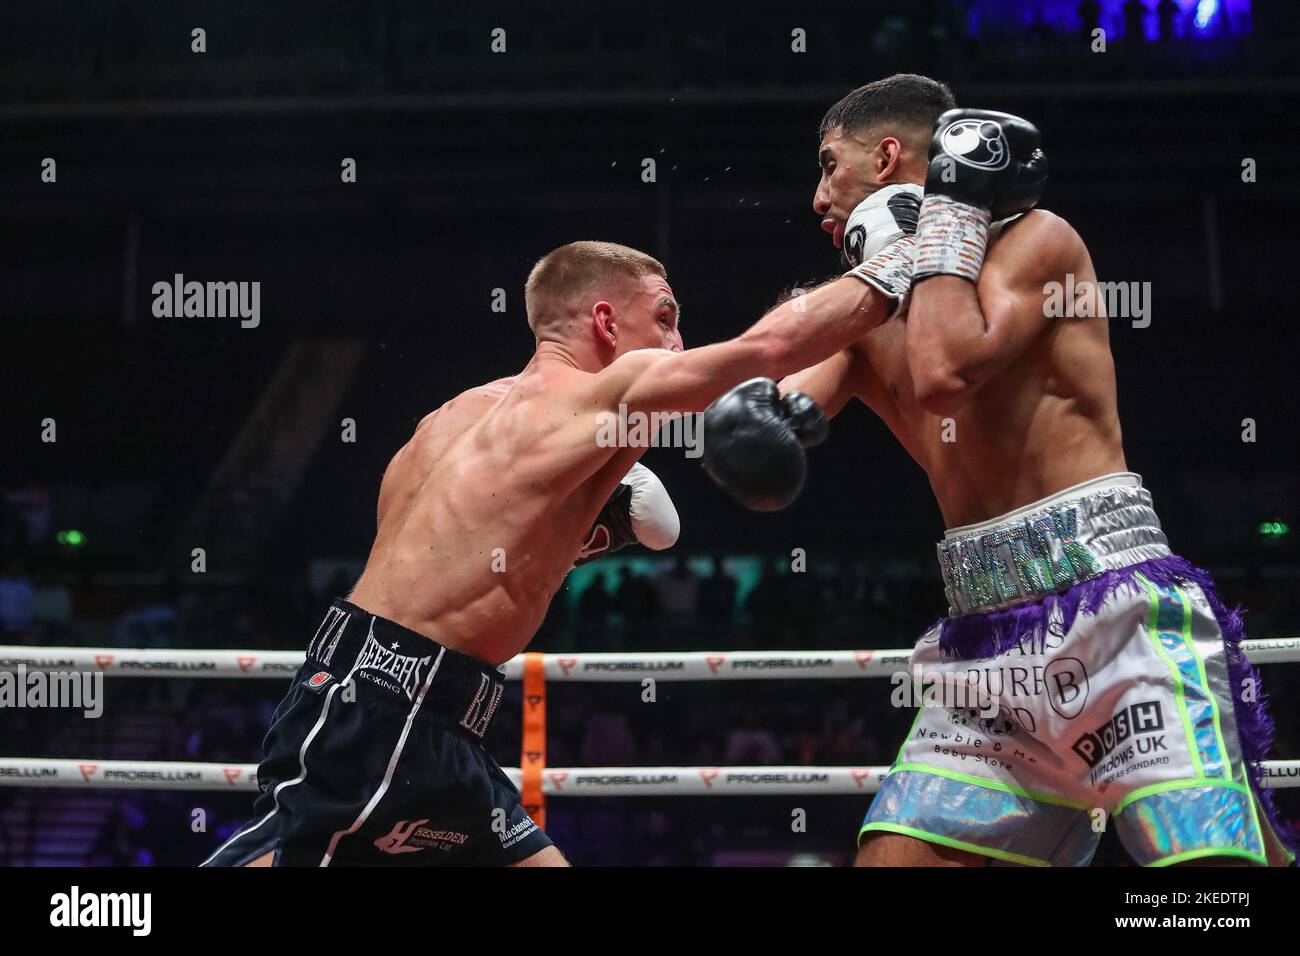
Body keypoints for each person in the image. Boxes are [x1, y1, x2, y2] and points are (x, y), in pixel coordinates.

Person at [703, 74, 1295, 867]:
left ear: (887, 159)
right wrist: (754, 416)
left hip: (1117, 619)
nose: (817, 197)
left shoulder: (1037, 243)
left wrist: (943, 219)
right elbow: (776, 379)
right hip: (983, 651)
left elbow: (947, 368)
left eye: (828, 166)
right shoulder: (861, 313)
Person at [202, 236, 908, 867]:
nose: (678, 338)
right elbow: (770, 352)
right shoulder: (605, 397)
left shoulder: (447, 419)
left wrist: (579, 535)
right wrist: (912, 251)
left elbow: (443, 559)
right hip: (384, 708)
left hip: (432, 715)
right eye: (664, 317)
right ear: (605, 321)